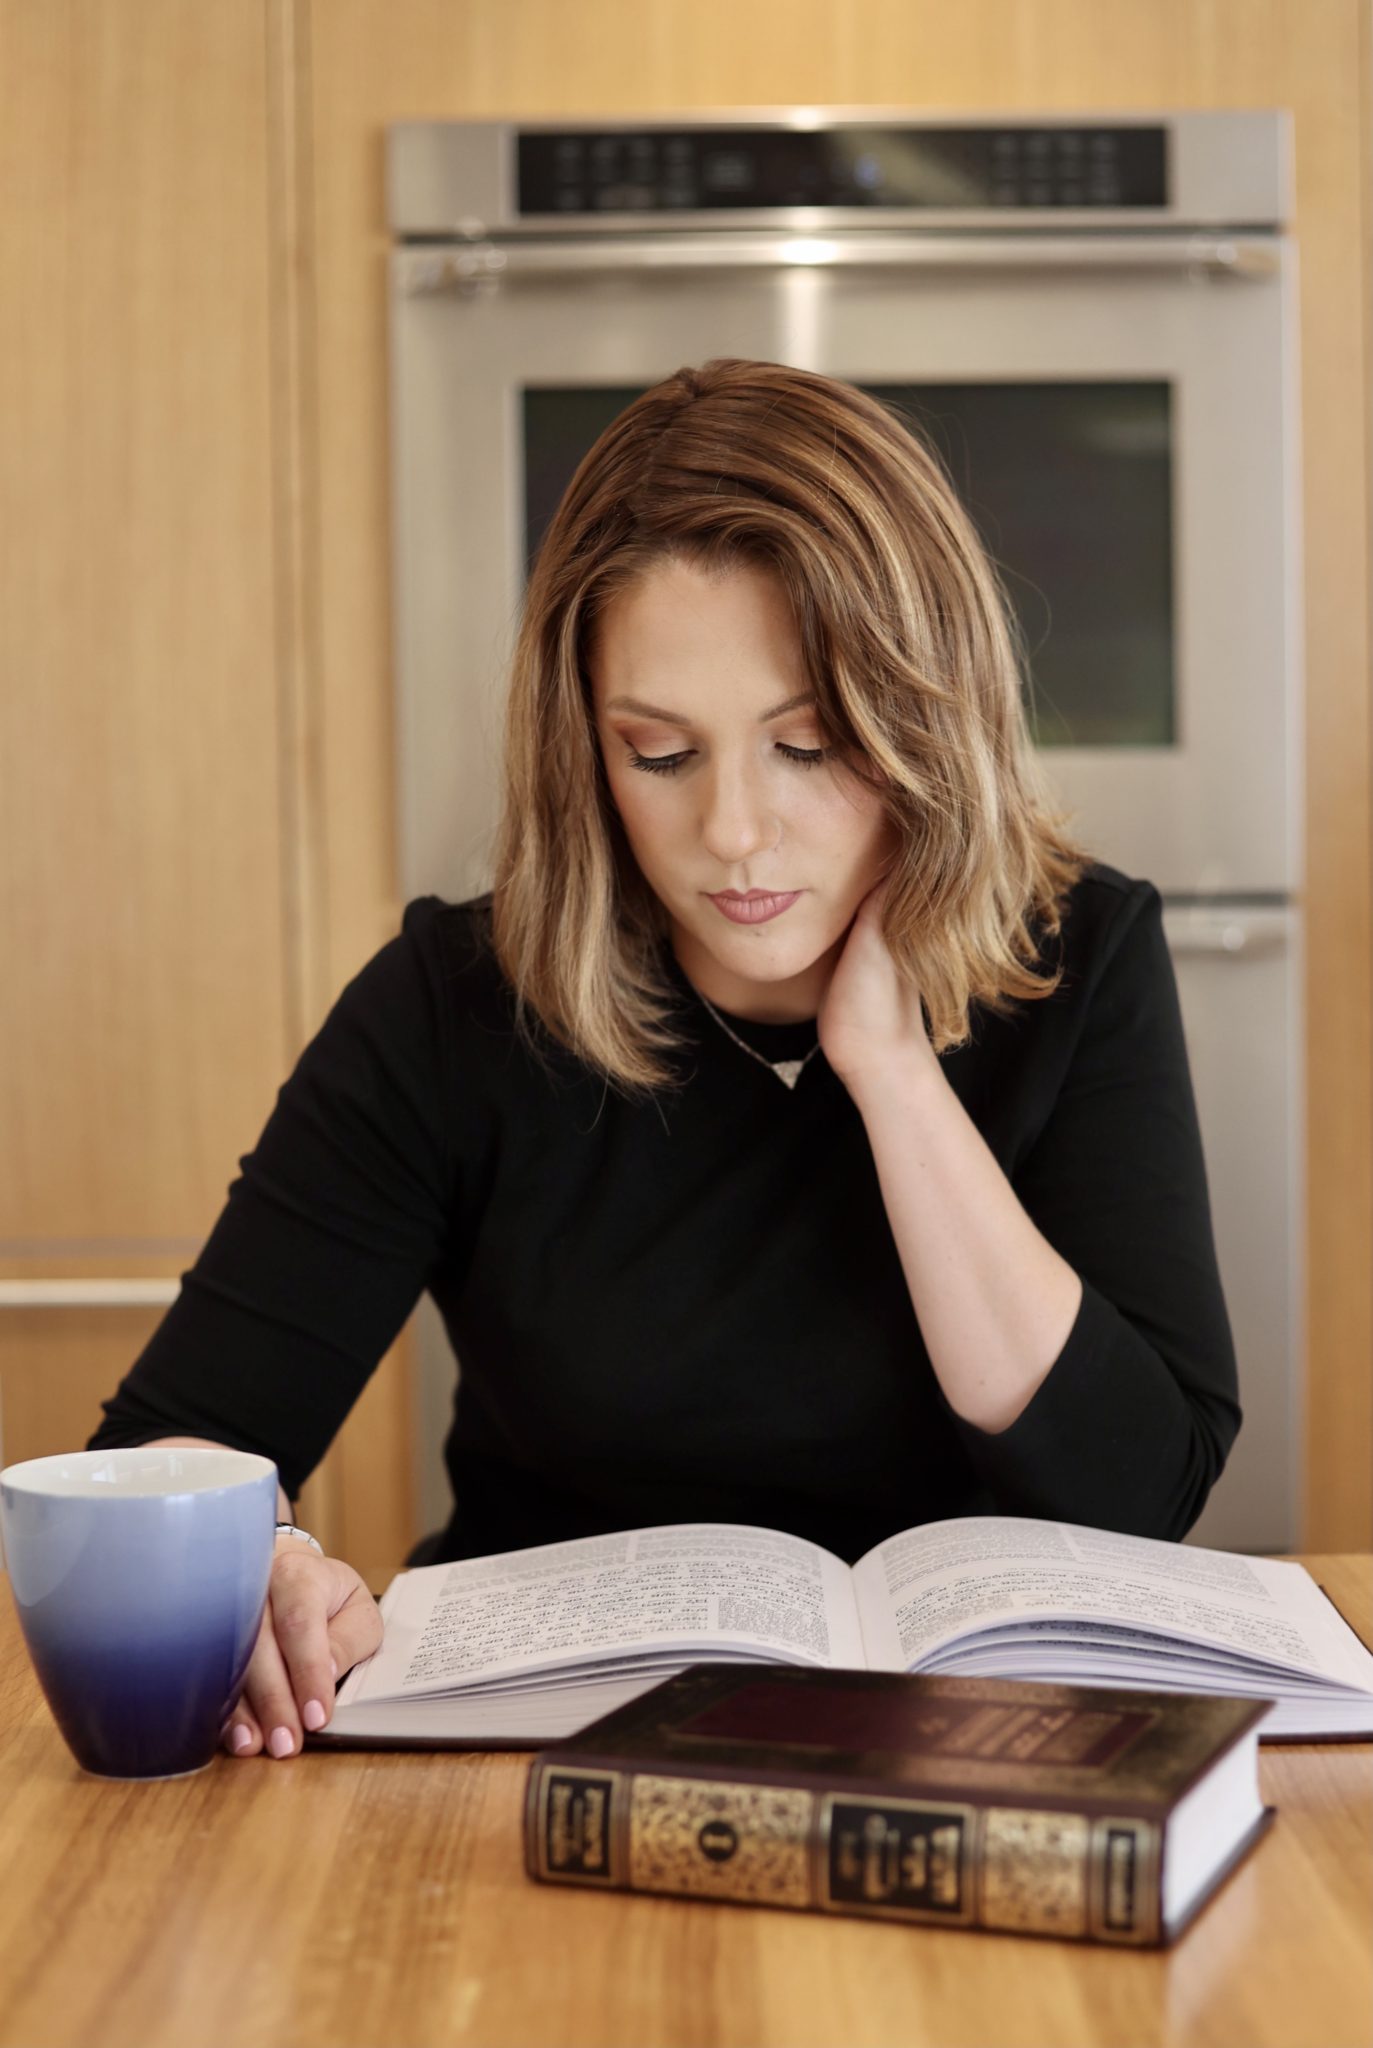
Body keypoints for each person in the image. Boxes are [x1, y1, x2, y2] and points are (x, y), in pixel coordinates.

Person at [89, 358, 1240, 1762]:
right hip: (529, 1762)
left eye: (806, 746)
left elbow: (1137, 1494)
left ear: (925, 724)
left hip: (976, 1756)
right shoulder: (448, 1007)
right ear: (584, 747)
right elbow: (171, 1445)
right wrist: (247, 1562)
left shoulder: (1079, 956)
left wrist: (885, 1067)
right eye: (659, 754)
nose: (736, 834)